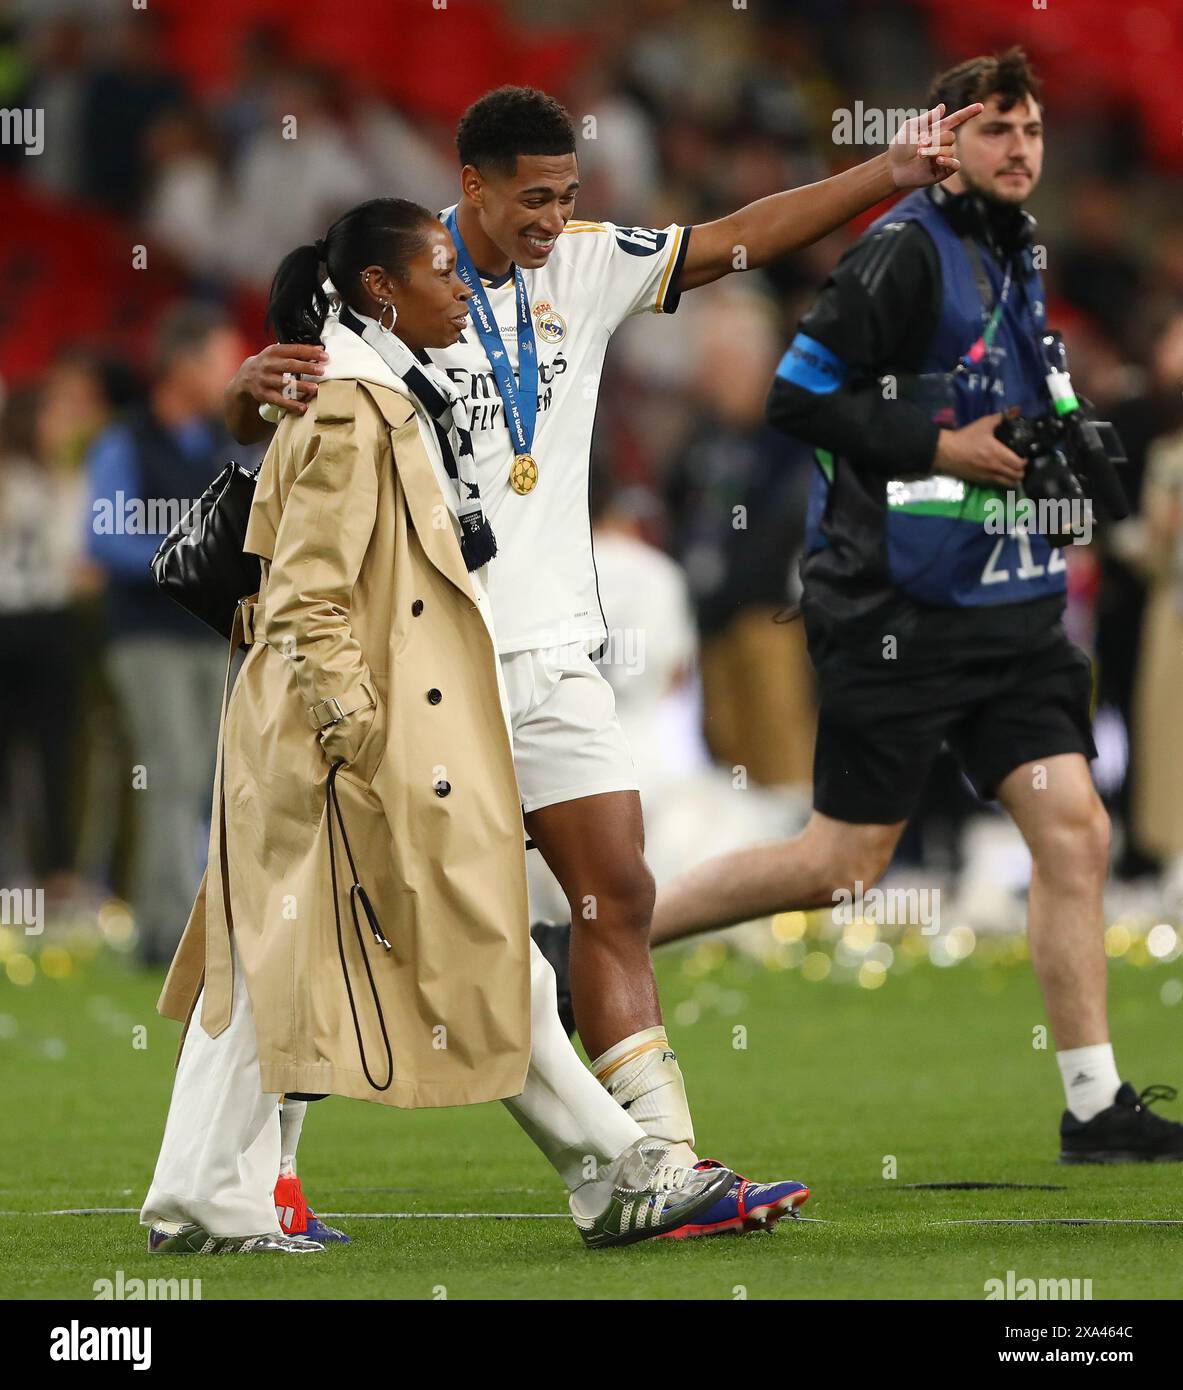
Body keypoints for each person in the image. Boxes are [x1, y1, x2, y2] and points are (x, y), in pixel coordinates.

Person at [223, 85, 977, 1238]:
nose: (554, 218)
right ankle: (266, 1179)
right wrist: (240, 399)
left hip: (556, 653)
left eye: (567, 194)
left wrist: (886, 177)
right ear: (468, 185)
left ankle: (663, 1160)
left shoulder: (583, 262)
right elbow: (283, 418)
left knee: (613, 891)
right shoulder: (390, 273)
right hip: (427, 659)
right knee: (360, 917)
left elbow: (734, 240)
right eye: (532, 197)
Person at [142, 198, 754, 1255]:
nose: (463, 286)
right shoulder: (350, 405)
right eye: (441, 271)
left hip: (336, 735)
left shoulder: (375, 382)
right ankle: (615, 1171)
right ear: (382, 287)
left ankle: (201, 1198)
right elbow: (308, 598)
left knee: (309, 952)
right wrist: (360, 735)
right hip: (352, 741)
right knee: (471, 944)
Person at [642, 49, 1183, 1163]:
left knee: (1075, 832)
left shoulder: (1017, 247)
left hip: (1013, 606)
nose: (1019, 150)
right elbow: (797, 393)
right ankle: (596, 942)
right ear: (941, 140)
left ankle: (1092, 1107)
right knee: (839, 863)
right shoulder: (899, 252)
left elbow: (1006, 391)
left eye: (1030, 131)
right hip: (898, 605)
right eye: (994, 131)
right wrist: (938, 445)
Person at [84, 305, 247, 964]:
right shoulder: (125, 440)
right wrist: (189, 554)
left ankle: (178, 923)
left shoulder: (220, 444)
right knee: (172, 770)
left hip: (209, 635)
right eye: (221, 360)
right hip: (146, 637)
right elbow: (102, 535)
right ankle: (166, 930)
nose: (234, 374)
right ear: (182, 366)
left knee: (209, 778)